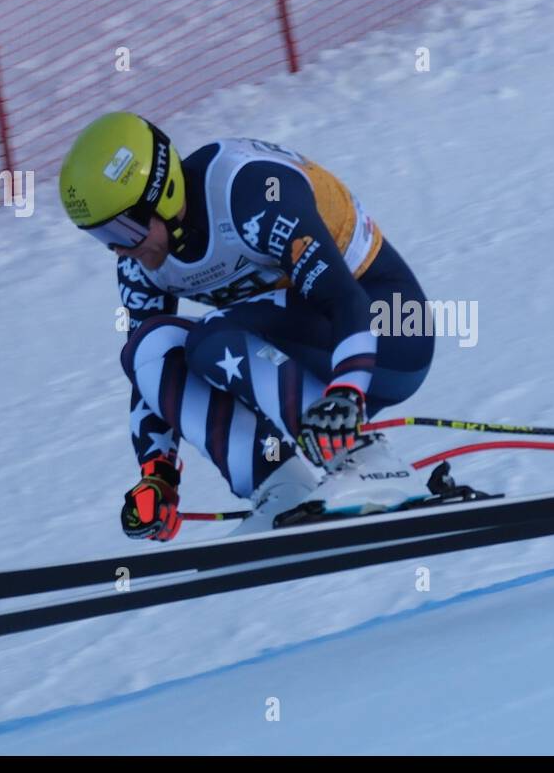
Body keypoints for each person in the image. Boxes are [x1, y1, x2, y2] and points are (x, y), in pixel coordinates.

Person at [58, 112, 435, 540]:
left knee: (214, 337)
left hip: (393, 330)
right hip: (321, 345)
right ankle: (280, 487)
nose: (119, 249)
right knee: (151, 347)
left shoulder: (249, 192)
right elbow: (148, 374)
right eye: (101, 235)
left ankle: (362, 462)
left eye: (122, 228)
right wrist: (158, 475)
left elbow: (344, 298)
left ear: (161, 192)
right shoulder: (140, 258)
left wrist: (345, 394)